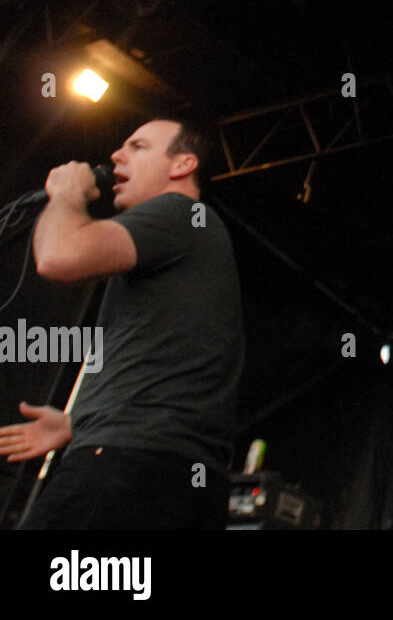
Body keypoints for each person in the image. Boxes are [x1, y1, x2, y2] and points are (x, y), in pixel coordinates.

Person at [0, 118, 244, 529]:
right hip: (175, 478)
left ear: (183, 164)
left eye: (138, 146)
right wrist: (80, 422)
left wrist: (65, 194)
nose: (116, 155)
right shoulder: (187, 235)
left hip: (129, 466)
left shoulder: (179, 212)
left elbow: (59, 255)